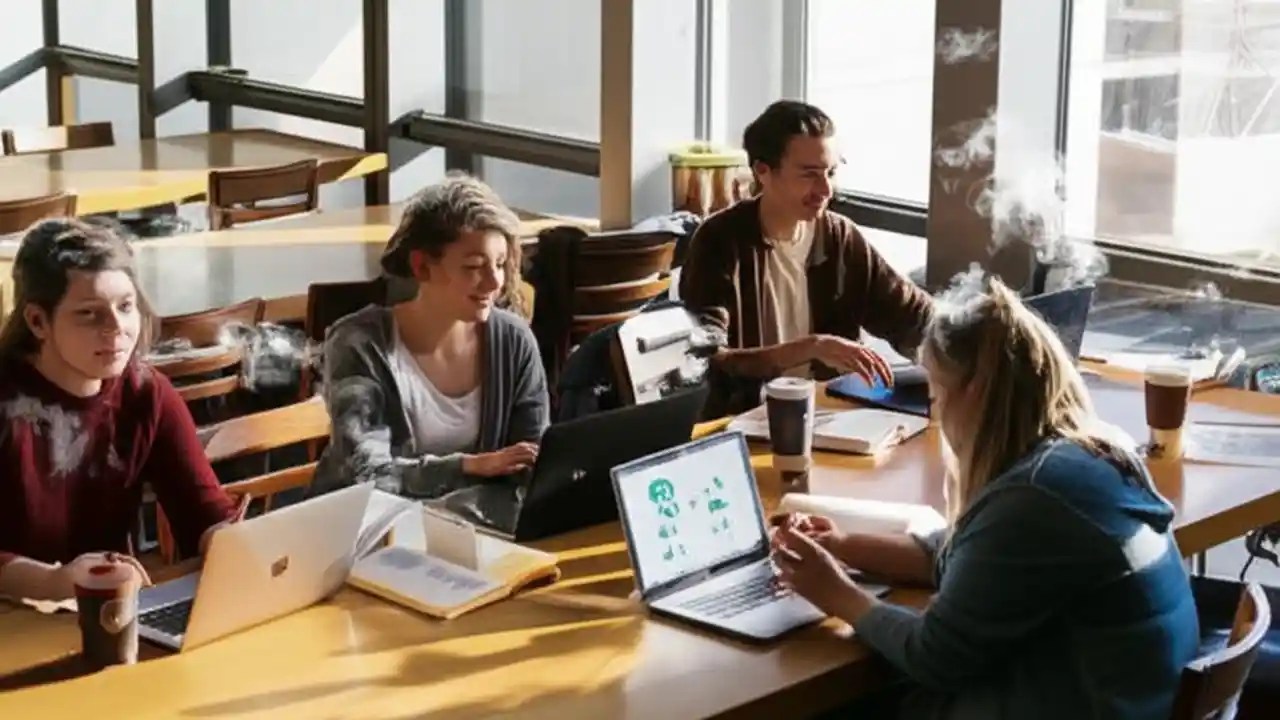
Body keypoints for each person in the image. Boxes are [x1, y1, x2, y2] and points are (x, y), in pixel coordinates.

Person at [771, 278, 1199, 719]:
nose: (936, 410)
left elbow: (933, 657)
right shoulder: (1089, 456)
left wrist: (838, 595)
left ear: (972, 392)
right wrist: (842, 546)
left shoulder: (1034, 498)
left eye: (936, 394)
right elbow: (971, 557)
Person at [0, 218, 239, 602]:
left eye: (126, 307)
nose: (117, 328)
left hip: (105, 616)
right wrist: (55, 582)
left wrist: (230, 540)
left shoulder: (146, 392)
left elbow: (204, 514)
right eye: (89, 314)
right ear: (37, 321)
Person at [312, 174, 550, 522]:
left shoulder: (514, 340)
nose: (495, 281)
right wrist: (471, 467)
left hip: (471, 533)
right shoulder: (359, 344)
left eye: (500, 264)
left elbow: (531, 463)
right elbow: (367, 475)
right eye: (473, 267)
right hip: (359, 535)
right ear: (422, 266)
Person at [678, 100, 933, 416]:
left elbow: (913, 318)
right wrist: (813, 347)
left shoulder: (840, 238)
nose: (826, 189)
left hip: (831, 418)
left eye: (831, 172)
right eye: (809, 175)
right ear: (763, 171)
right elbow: (706, 359)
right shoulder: (719, 240)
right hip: (744, 424)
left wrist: (976, 336)